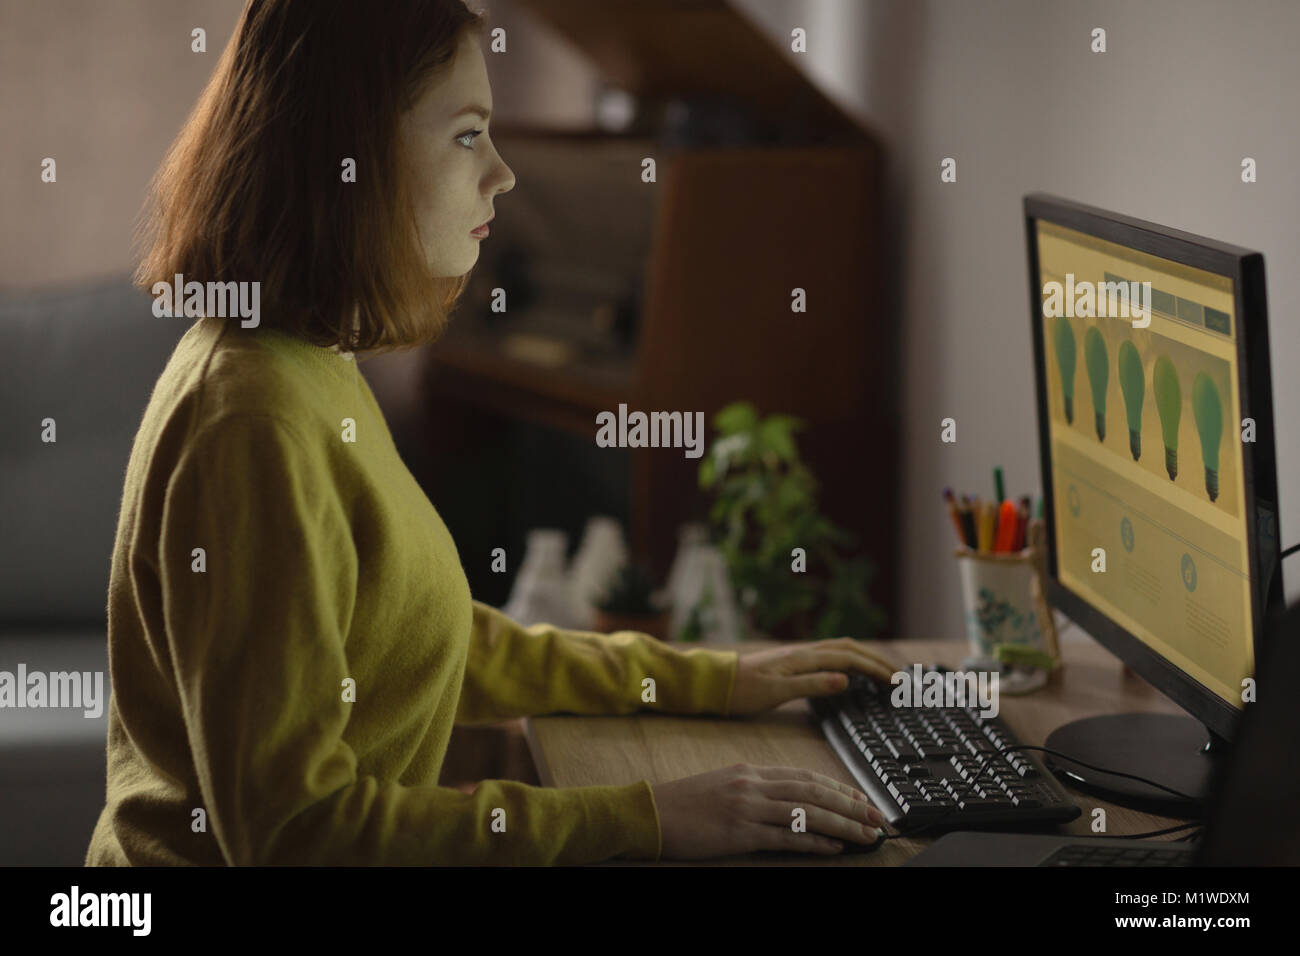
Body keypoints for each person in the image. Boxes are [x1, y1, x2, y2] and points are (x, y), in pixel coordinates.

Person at [85, 0, 895, 866]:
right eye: (468, 134)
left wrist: (710, 676)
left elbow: (417, 632)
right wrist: (647, 817)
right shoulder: (251, 423)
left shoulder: (309, 355)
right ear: (349, 158)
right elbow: (295, 836)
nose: (504, 173)